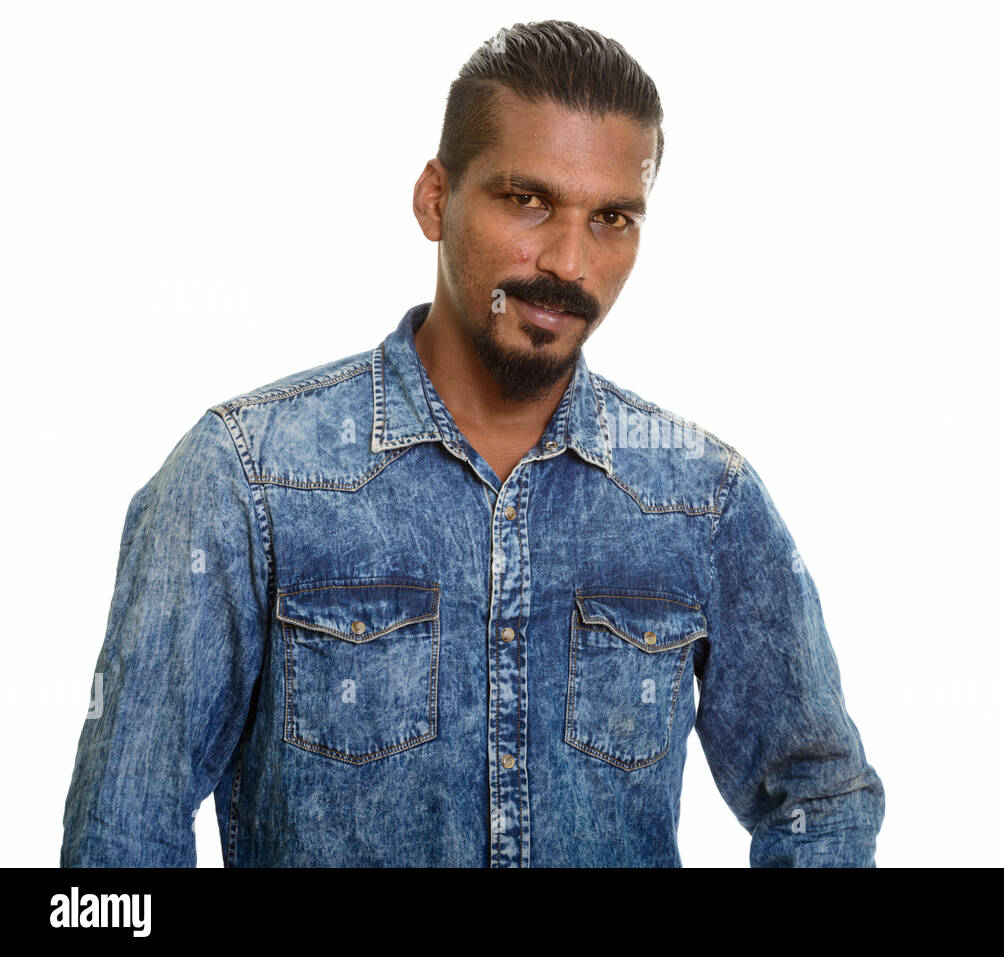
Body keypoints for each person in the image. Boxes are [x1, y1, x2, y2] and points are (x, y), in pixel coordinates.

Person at [60, 18, 884, 868]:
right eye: (528, 200)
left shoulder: (703, 499)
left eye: (612, 217)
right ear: (434, 199)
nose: (570, 261)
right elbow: (121, 842)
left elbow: (819, 799)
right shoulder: (247, 475)